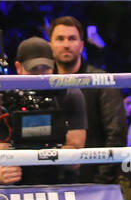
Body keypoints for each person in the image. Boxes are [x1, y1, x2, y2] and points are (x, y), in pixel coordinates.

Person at [0, 37, 86, 186]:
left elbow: (74, 159)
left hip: (63, 183)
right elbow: (0, 164)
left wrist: (38, 152)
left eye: (45, 68)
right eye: (33, 69)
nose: (40, 75)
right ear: (18, 67)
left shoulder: (69, 94)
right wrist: (4, 173)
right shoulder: (2, 104)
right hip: (21, 188)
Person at [49, 16, 126, 184]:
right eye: (60, 39)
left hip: (92, 179)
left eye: (72, 38)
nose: (66, 44)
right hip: (50, 182)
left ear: (81, 45)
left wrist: (100, 182)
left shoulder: (100, 81)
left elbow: (116, 135)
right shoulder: (43, 83)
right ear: (51, 45)